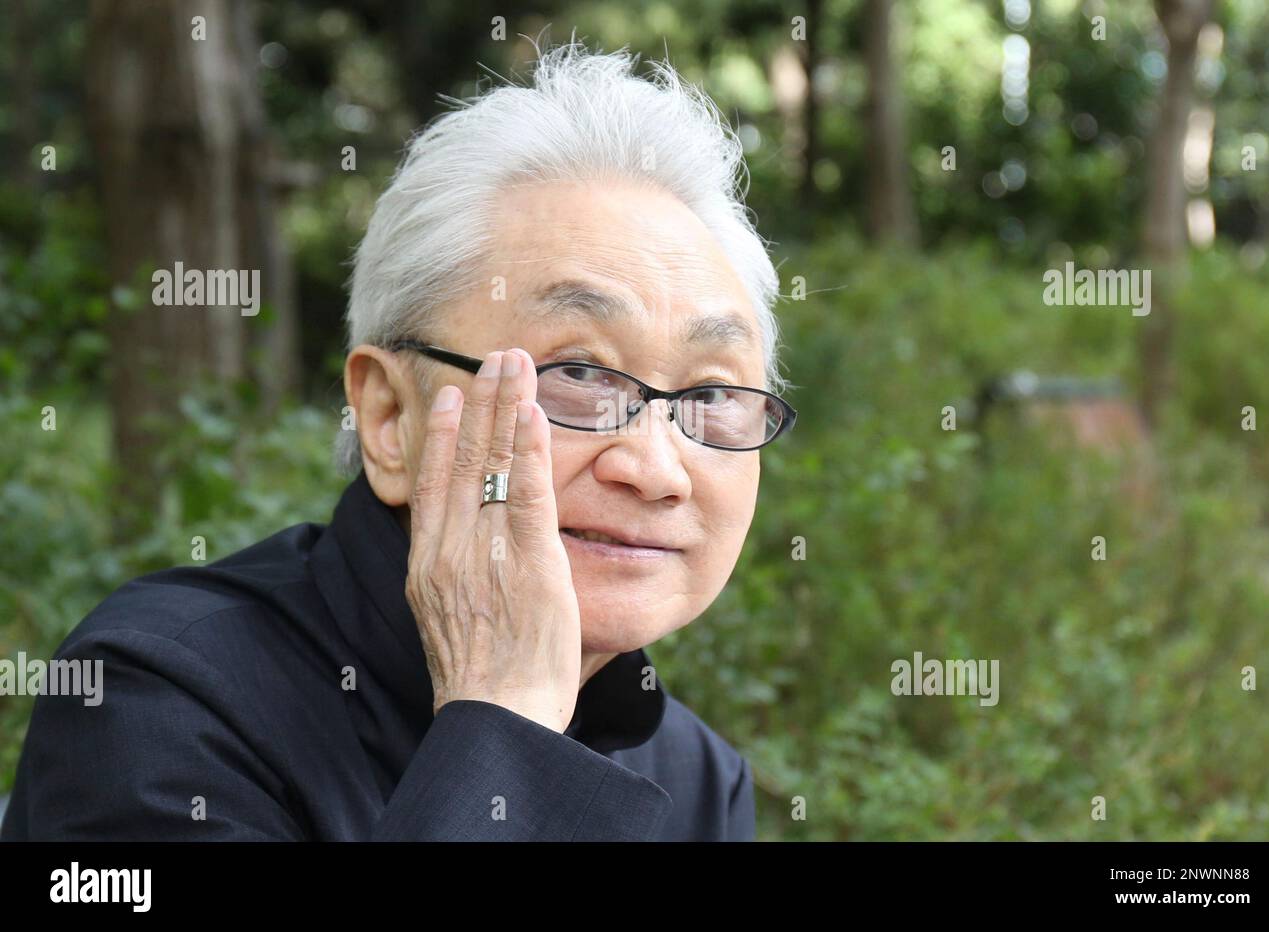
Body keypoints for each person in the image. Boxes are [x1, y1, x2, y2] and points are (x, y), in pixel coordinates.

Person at [2, 41, 796, 841]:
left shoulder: (695, 775)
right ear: (388, 417)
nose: (657, 469)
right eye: (579, 376)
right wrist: (502, 717)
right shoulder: (154, 698)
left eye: (712, 394)